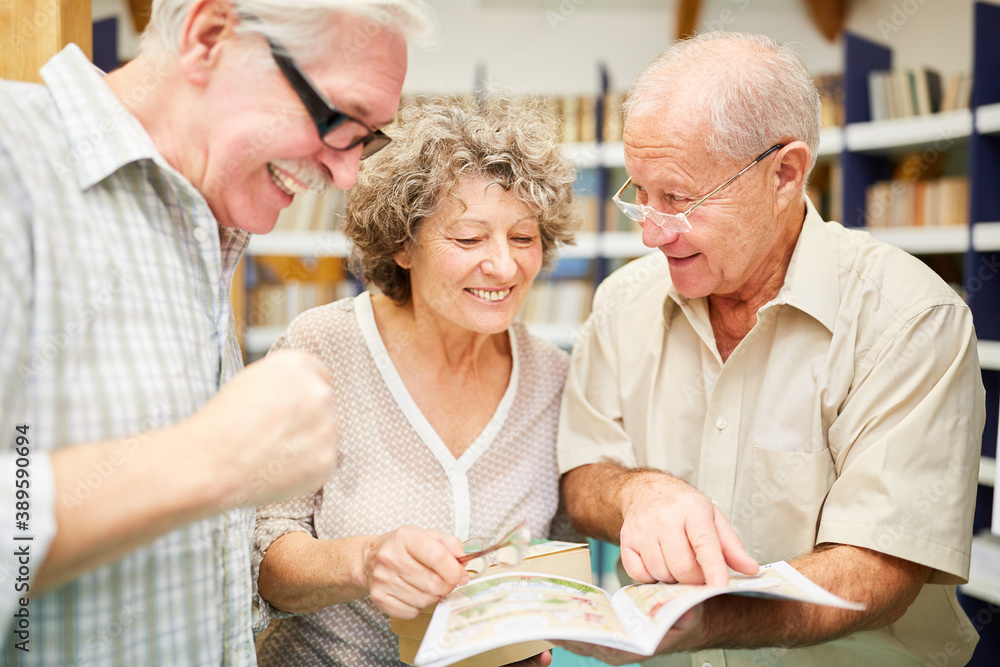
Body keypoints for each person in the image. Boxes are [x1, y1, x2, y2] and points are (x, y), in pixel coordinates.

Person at [0, 0, 430, 663]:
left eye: (367, 139)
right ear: (210, 36)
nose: (347, 175)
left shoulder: (200, 222)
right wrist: (213, 458)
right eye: (337, 120)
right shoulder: (13, 167)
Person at [557, 32, 985, 666]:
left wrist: (716, 619)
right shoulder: (623, 303)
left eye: (677, 198)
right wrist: (639, 493)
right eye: (638, 194)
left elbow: (880, 572)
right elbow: (585, 474)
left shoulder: (910, 319)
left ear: (785, 173)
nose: (650, 231)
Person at [251, 94, 578, 666]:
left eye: (523, 238)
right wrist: (366, 560)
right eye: (469, 239)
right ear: (402, 244)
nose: (503, 266)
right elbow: (266, 565)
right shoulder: (322, 349)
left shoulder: (552, 375)